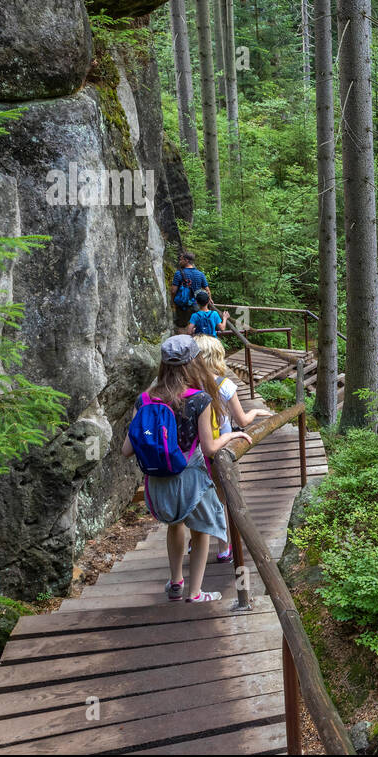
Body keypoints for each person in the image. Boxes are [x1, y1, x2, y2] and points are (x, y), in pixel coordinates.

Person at [120, 334, 250, 603]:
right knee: (200, 531)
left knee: (174, 525)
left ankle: (176, 580)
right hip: (190, 479)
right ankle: (195, 592)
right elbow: (210, 448)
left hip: (157, 483)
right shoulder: (199, 399)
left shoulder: (145, 399)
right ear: (194, 363)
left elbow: (126, 450)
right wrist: (232, 435)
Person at [193, 334, 272, 562]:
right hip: (221, 449)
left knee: (197, 496)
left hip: (194, 450)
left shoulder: (188, 386)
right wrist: (255, 412)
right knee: (224, 496)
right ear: (216, 357)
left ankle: (194, 541)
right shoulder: (225, 385)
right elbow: (243, 420)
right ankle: (224, 546)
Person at [170, 252, 209, 331]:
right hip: (196, 305)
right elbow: (207, 290)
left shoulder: (178, 274)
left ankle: (183, 342)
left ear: (186, 260)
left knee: (181, 326)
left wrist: (173, 302)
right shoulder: (200, 274)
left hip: (182, 305)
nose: (179, 261)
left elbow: (173, 291)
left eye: (181, 260)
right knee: (195, 326)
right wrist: (208, 302)